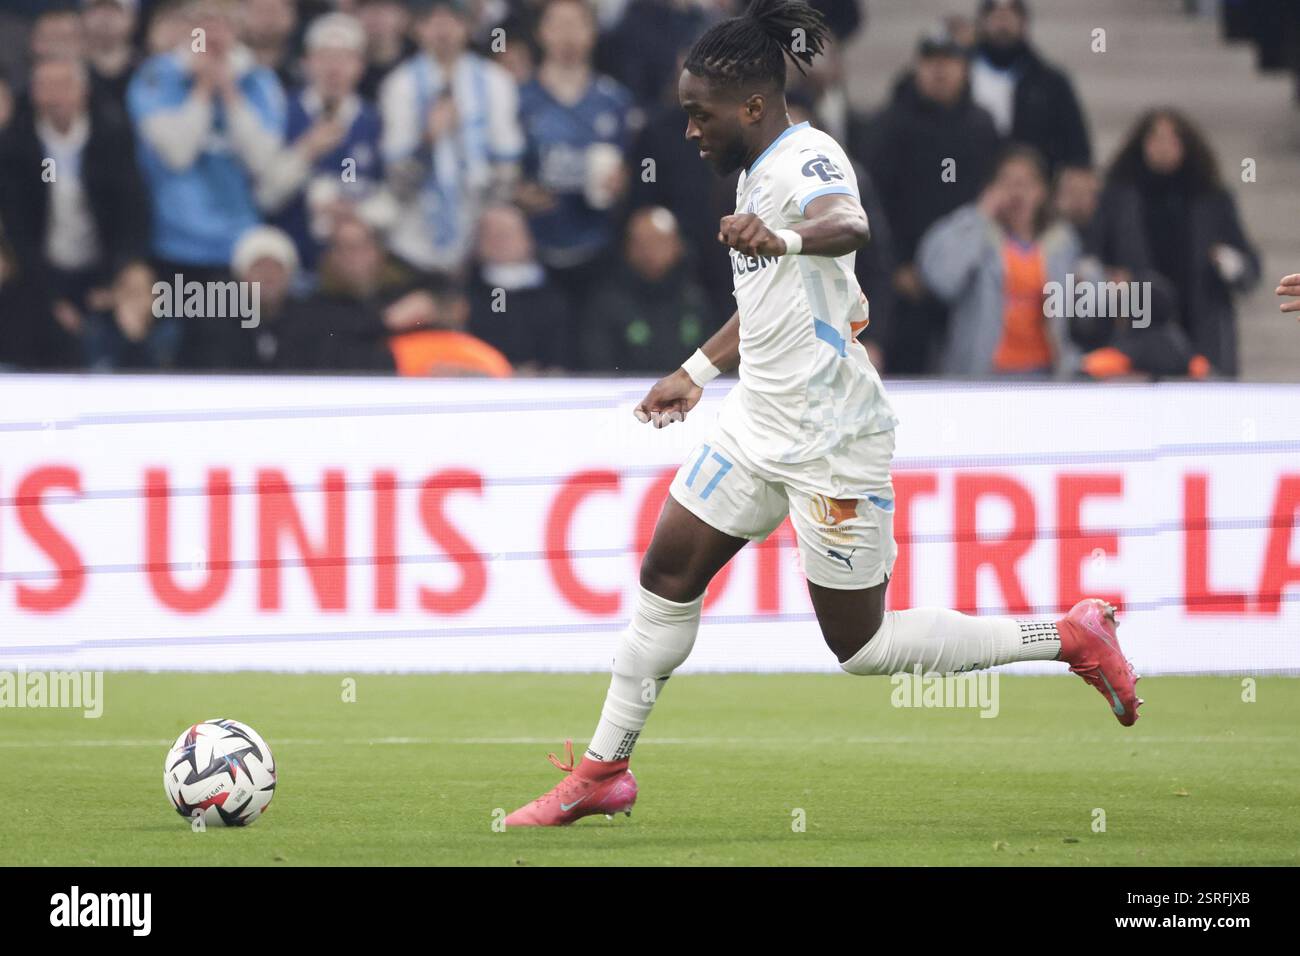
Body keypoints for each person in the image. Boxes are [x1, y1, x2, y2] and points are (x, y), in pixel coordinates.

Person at [504, 0, 1142, 829]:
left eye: (701, 113)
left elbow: (849, 224)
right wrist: (696, 370)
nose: (689, 128)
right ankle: (604, 769)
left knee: (863, 648)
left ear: (754, 107)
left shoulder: (806, 159)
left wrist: (789, 238)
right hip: (758, 417)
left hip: (831, 437)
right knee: (667, 573)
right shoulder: (750, 166)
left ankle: (1068, 636)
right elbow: (768, 299)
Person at [866, 26, 1000, 374]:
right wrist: (896, 267)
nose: (940, 70)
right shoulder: (888, 125)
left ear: (965, 68)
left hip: (968, 275)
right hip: (903, 284)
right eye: (931, 61)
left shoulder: (982, 127)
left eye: (949, 61)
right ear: (917, 67)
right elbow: (873, 204)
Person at [1089, 108, 1260, 377]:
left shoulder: (1211, 198)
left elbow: (1249, 269)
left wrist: (1229, 263)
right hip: (1138, 330)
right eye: (1155, 138)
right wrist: (1109, 280)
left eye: (1172, 139)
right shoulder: (1118, 197)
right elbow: (1094, 255)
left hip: (1201, 329)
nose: (1163, 147)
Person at [379, 0, 523, 281]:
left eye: (452, 19)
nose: (442, 29)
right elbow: (397, 182)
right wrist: (428, 139)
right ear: (416, 28)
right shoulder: (399, 85)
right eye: (431, 19)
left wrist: (485, 230)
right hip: (413, 241)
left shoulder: (496, 81)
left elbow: (508, 168)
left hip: (478, 241)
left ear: (468, 26)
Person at [916, 145, 1087, 378]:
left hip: (1045, 374)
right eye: (1008, 183)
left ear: (1042, 191)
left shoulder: (1062, 242)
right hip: (982, 373)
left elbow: (1084, 312)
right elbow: (943, 281)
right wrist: (981, 215)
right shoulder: (971, 231)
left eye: (1026, 183)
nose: (1017, 192)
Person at [581, 205, 715, 372]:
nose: (648, 251)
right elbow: (599, 365)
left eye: (658, 242)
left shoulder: (696, 301)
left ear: (678, 246)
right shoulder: (606, 304)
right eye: (640, 243)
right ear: (627, 248)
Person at [969, 0, 1091, 175]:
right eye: (995, 15)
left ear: (1023, 22)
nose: (1002, 23)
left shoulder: (1051, 82)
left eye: (1010, 15)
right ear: (982, 21)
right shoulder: (960, 77)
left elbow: (1076, 147)